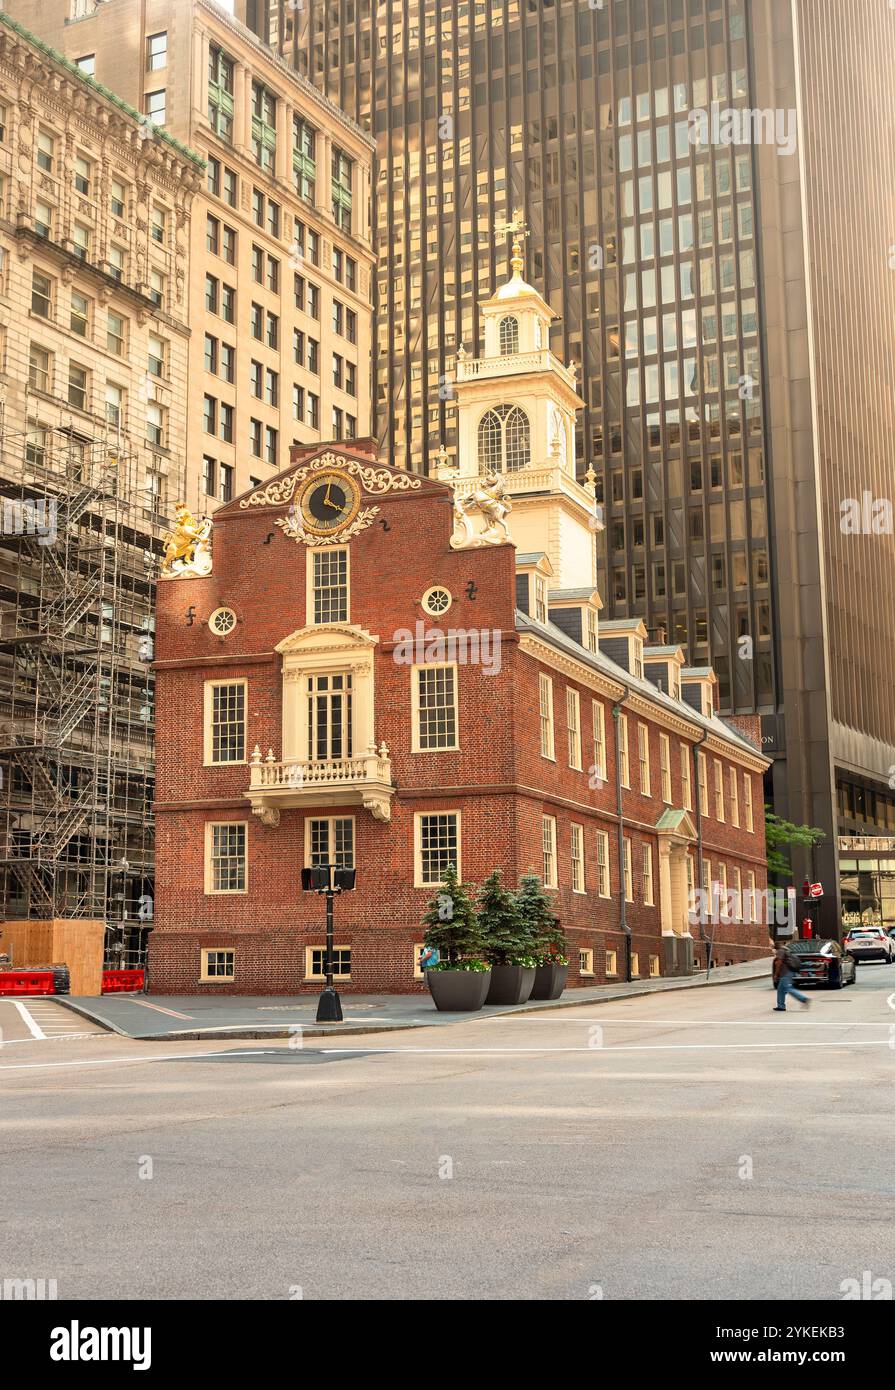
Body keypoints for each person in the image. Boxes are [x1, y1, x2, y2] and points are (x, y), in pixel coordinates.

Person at [772, 942, 810, 1011]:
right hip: (789, 972)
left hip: (786, 973)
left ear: (776, 947)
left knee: (788, 988)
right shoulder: (786, 950)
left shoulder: (781, 951)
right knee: (780, 990)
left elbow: (779, 963)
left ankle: (803, 999)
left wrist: (776, 974)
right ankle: (781, 1006)